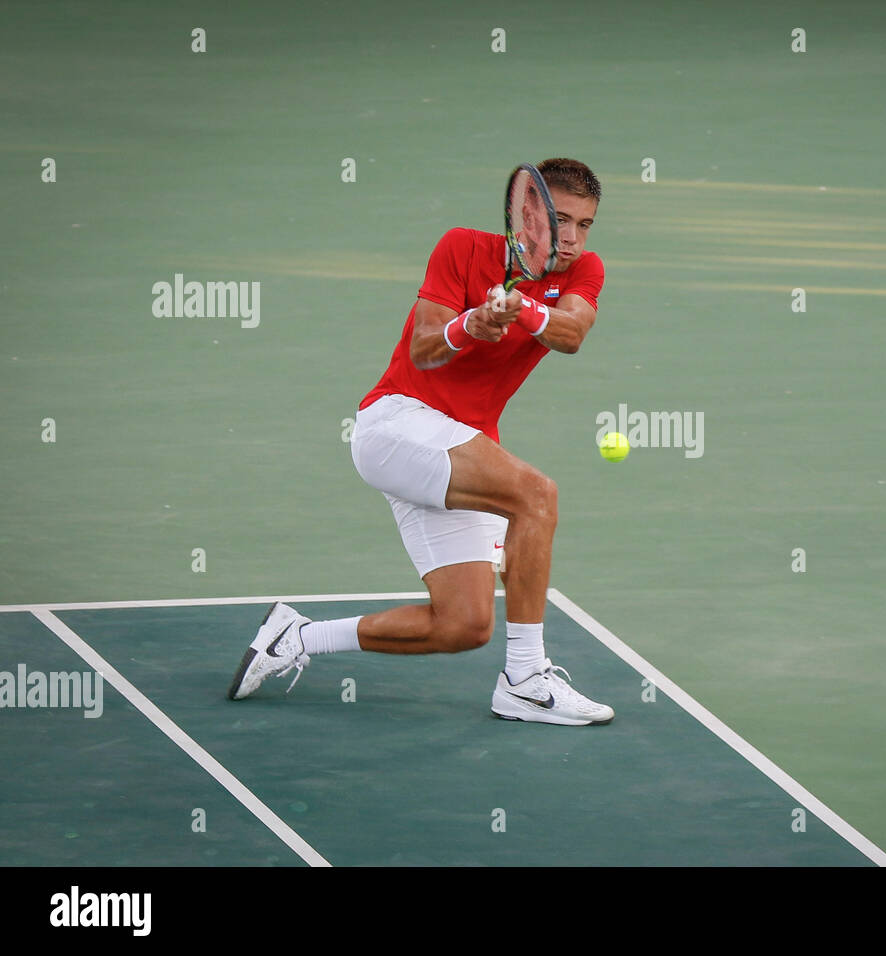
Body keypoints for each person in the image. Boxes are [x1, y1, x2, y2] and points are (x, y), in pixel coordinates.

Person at [227, 158, 613, 726]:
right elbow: (425, 348)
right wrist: (467, 326)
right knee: (536, 497)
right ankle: (526, 679)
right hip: (397, 424)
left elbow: (572, 332)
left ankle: (299, 637)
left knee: (464, 625)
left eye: (585, 225)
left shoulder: (584, 271)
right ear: (527, 213)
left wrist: (520, 307)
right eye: (562, 221)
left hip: (455, 449)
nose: (574, 239)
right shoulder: (460, 248)